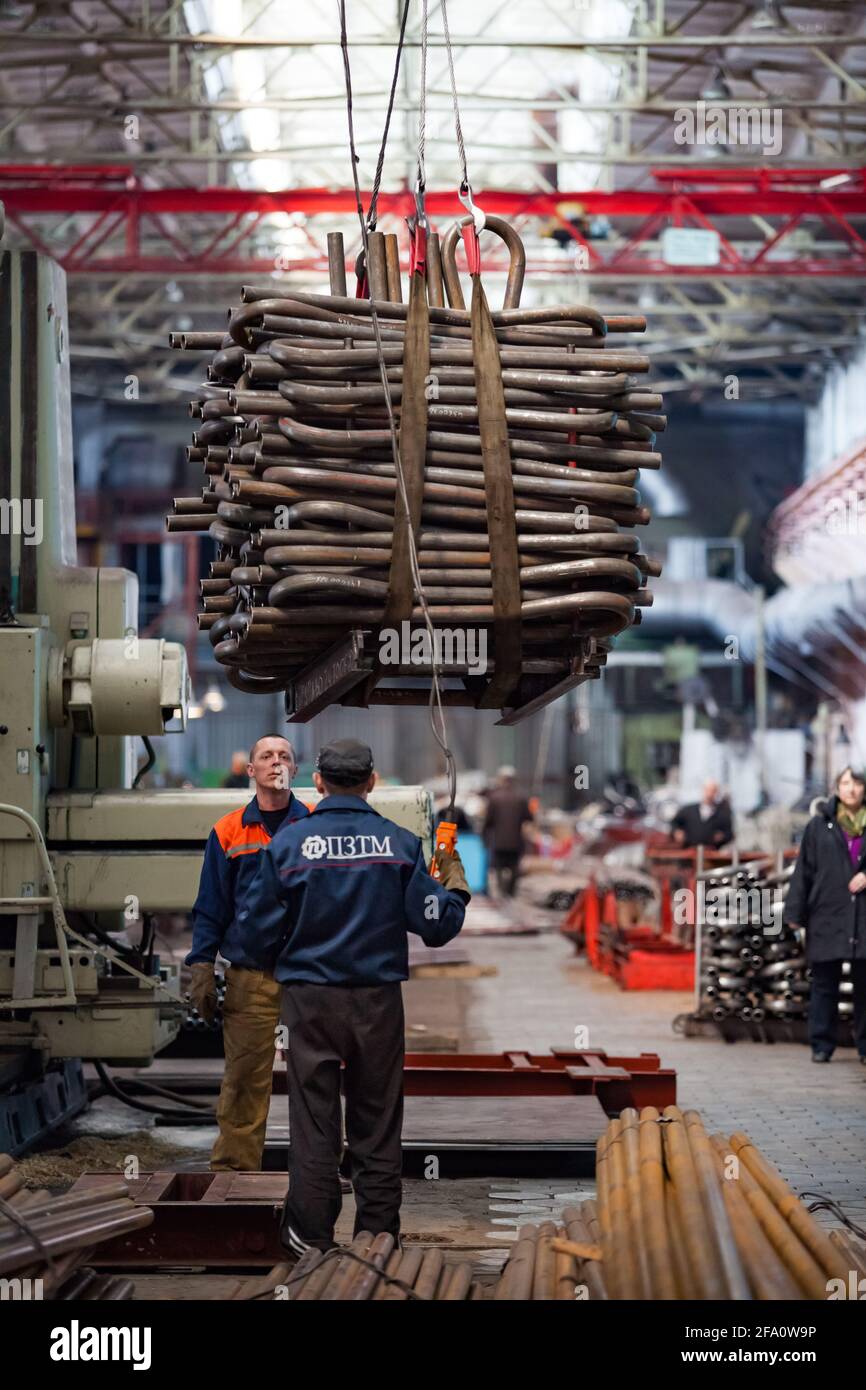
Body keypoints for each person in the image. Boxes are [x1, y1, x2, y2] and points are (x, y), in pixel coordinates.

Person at [237, 738, 470, 1255]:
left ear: (317, 783)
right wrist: (452, 881)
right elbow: (438, 927)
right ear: (372, 782)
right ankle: (378, 1239)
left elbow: (251, 937)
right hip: (377, 1004)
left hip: (309, 1003)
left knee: (314, 1121)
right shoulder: (400, 846)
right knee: (377, 1121)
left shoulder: (288, 847)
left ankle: (310, 1240)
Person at [187, 735, 310, 1170]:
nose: (276, 761)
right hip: (251, 978)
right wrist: (201, 963)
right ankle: (235, 1176)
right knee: (242, 1081)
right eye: (267, 756)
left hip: (308, 978)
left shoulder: (314, 826)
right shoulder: (228, 831)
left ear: (295, 770)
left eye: (285, 756)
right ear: (251, 770)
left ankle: (318, 1176)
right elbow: (211, 905)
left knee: (316, 1080)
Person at [784, 765, 866, 1064]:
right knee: (824, 985)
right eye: (846, 783)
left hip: (863, 917)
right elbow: (803, 871)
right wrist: (795, 912)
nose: (852, 789)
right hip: (827, 914)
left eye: (857, 783)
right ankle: (821, 1044)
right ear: (836, 787)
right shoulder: (819, 826)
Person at [483, 765, 533, 897]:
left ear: (501, 779)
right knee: (514, 866)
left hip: (499, 841)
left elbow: (488, 822)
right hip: (516, 841)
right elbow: (529, 818)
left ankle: (502, 891)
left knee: (499, 866)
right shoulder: (521, 798)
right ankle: (510, 892)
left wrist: (484, 838)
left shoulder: (494, 798)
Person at [670, 779, 733, 850]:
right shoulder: (688, 810)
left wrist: (722, 837)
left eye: (713, 791)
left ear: (717, 793)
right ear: (703, 790)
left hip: (711, 853)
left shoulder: (722, 813)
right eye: (707, 790)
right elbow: (674, 823)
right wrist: (676, 832)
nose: (709, 794)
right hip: (689, 852)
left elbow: (729, 834)